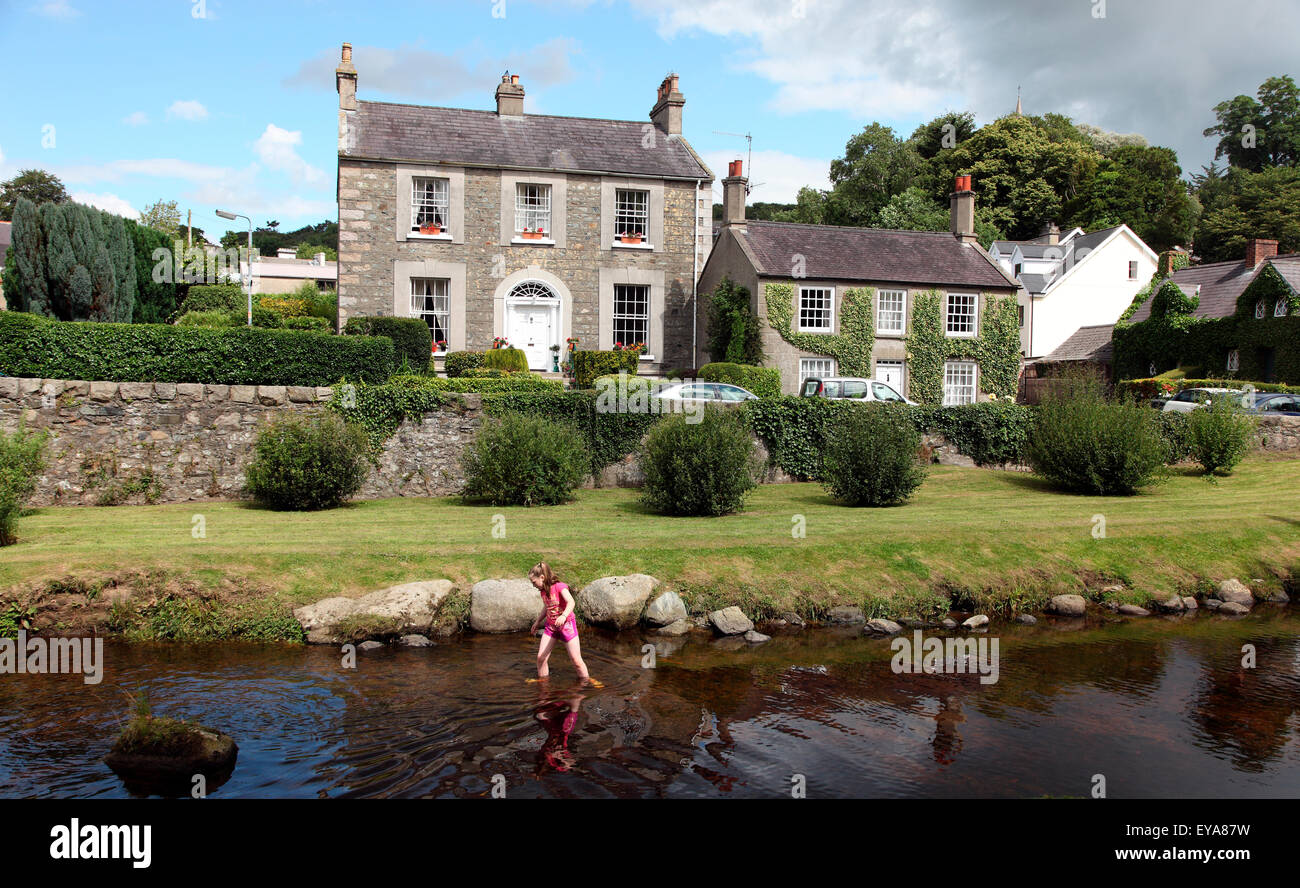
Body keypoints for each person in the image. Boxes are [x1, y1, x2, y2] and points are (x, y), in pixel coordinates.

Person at [528, 562, 591, 682]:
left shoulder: (559, 587)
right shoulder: (543, 591)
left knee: (576, 661)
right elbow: (547, 606)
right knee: (541, 658)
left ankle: (587, 681)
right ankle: (543, 684)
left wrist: (564, 615)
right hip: (551, 628)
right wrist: (537, 621)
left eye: (534, 582)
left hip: (567, 627)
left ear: (542, 577)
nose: (533, 585)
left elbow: (571, 602)